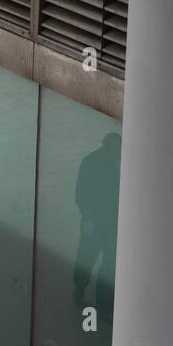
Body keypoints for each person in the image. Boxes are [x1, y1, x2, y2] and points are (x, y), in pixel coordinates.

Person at [73, 133, 121, 324]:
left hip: (110, 225)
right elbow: (81, 194)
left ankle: (104, 306)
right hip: (95, 223)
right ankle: (79, 288)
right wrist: (87, 217)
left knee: (107, 264)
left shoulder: (119, 165)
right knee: (87, 258)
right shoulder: (92, 163)